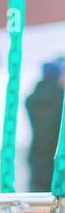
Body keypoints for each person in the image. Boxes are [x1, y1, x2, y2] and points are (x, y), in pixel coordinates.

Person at [26, 59, 64, 193]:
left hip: (37, 154)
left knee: (38, 201)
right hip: (57, 158)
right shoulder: (61, 99)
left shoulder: (32, 99)